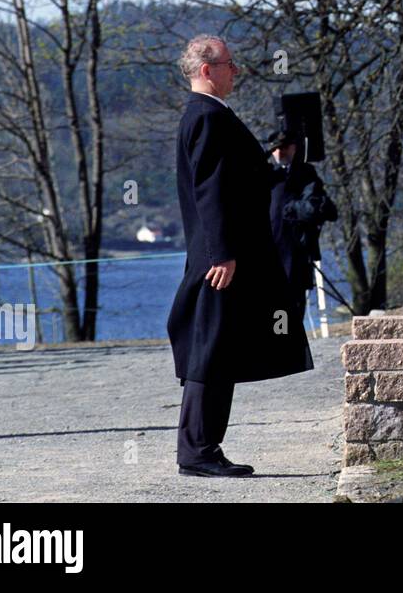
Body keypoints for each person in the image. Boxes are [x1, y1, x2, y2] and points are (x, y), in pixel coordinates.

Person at [169, 35, 313, 477]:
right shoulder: (207, 117)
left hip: (225, 255)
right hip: (221, 260)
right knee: (211, 350)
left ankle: (204, 448)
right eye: (230, 64)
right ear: (206, 70)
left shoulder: (210, 115)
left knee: (219, 349)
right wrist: (222, 253)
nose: (237, 71)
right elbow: (210, 191)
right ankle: (197, 451)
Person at [266, 127, 338, 328]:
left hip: (296, 251)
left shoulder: (305, 174)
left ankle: (291, 348)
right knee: (272, 306)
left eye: (285, 147)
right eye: (276, 149)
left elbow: (315, 207)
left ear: (294, 148)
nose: (280, 153)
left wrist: (290, 209)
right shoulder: (265, 175)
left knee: (294, 305)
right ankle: (279, 345)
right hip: (269, 252)